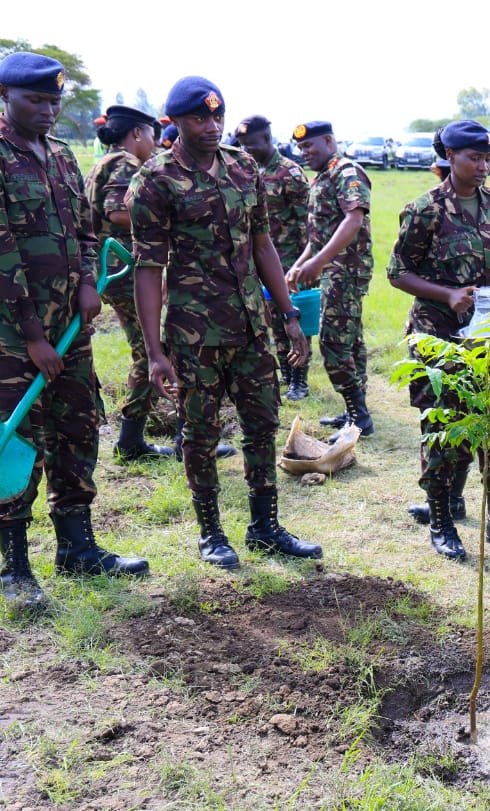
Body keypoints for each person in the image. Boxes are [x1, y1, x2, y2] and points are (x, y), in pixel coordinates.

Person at [128, 75, 321, 571]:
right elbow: (148, 268)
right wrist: (154, 352)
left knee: (262, 424)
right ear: (175, 122)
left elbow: (263, 245)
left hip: (251, 326)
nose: (212, 126)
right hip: (195, 335)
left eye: (217, 116)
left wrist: (289, 314)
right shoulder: (155, 180)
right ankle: (211, 533)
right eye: (199, 119)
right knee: (200, 433)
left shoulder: (243, 167)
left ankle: (265, 527)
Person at [0, 52, 150, 614]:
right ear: (5, 96)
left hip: (70, 327)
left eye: (53, 101)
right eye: (34, 100)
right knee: (18, 441)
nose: (46, 110)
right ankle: (15, 568)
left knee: (78, 427)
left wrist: (89, 281)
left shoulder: (61, 156)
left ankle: (78, 549)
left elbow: (85, 232)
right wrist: (32, 335)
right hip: (13, 337)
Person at [387, 119, 490, 561]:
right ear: (450, 156)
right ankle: (442, 519)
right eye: (474, 158)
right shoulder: (425, 209)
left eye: (487, 158)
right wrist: (447, 295)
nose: (483, 166)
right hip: (440, 336)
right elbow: (397, 272)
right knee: (443, 429)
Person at [86, 104, 174, 461]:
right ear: (137, 133)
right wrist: (167, 222)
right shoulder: (125, 163)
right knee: (154, 350)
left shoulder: (104, 162)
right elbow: (118, 211)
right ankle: (134, 439)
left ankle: (134, 437)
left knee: (147, 348)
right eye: (152, 135)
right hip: (123, 270)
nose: (155, 143)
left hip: (112, 270)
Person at [288, 122, 374, 440]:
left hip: (346, 270)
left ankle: (359, 417)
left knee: (334, 342)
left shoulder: (346, 172)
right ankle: (354, 412)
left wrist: (319, 262)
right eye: (300, 148)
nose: (304, 152)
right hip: (332, 269)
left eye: (309, 145)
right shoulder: (323, 176)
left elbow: (354, 219)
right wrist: (300, 265)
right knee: (352, 341)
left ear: (328, 140)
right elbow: (320, 234)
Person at [234, 115, 313, 401]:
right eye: (243, 146)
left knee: (295, 320)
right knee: (273, 320)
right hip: (262, 262)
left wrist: (306, 266)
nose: (246, 151)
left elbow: (309, 224)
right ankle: (286, 375)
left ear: (267, 139)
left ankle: (300, 381)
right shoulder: (247, 172)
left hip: (291, 263)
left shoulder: (290, 173)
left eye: (251, 145)